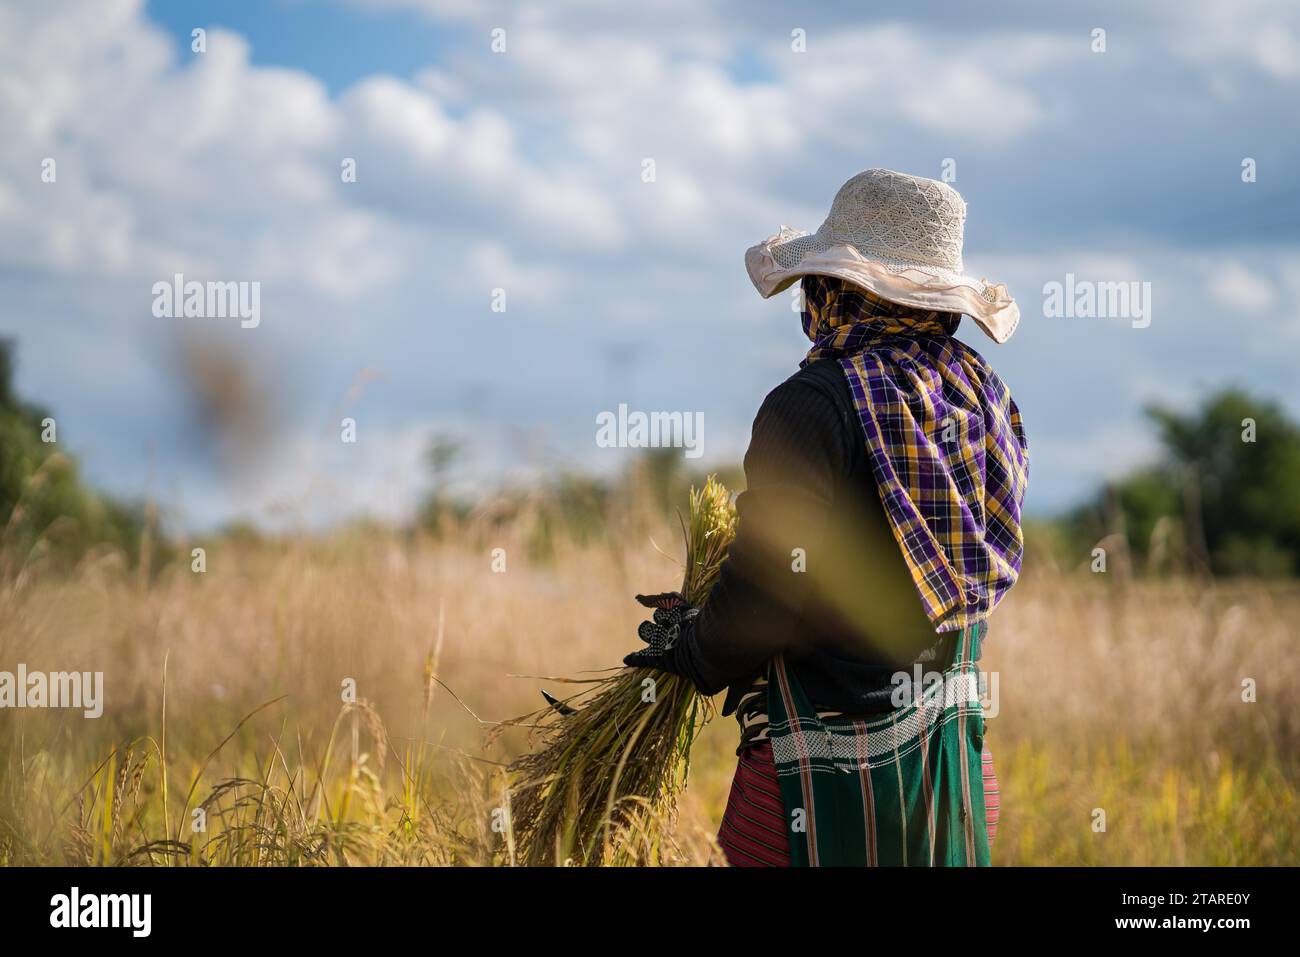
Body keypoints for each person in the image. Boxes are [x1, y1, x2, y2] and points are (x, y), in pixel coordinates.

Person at [625, 169, 1028, 866]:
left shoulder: (814, 403)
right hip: (951, 771)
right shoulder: (978, 394)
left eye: (815, 284)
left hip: (828, 777)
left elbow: (768, 589)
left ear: (837, 289)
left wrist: (690, 647)